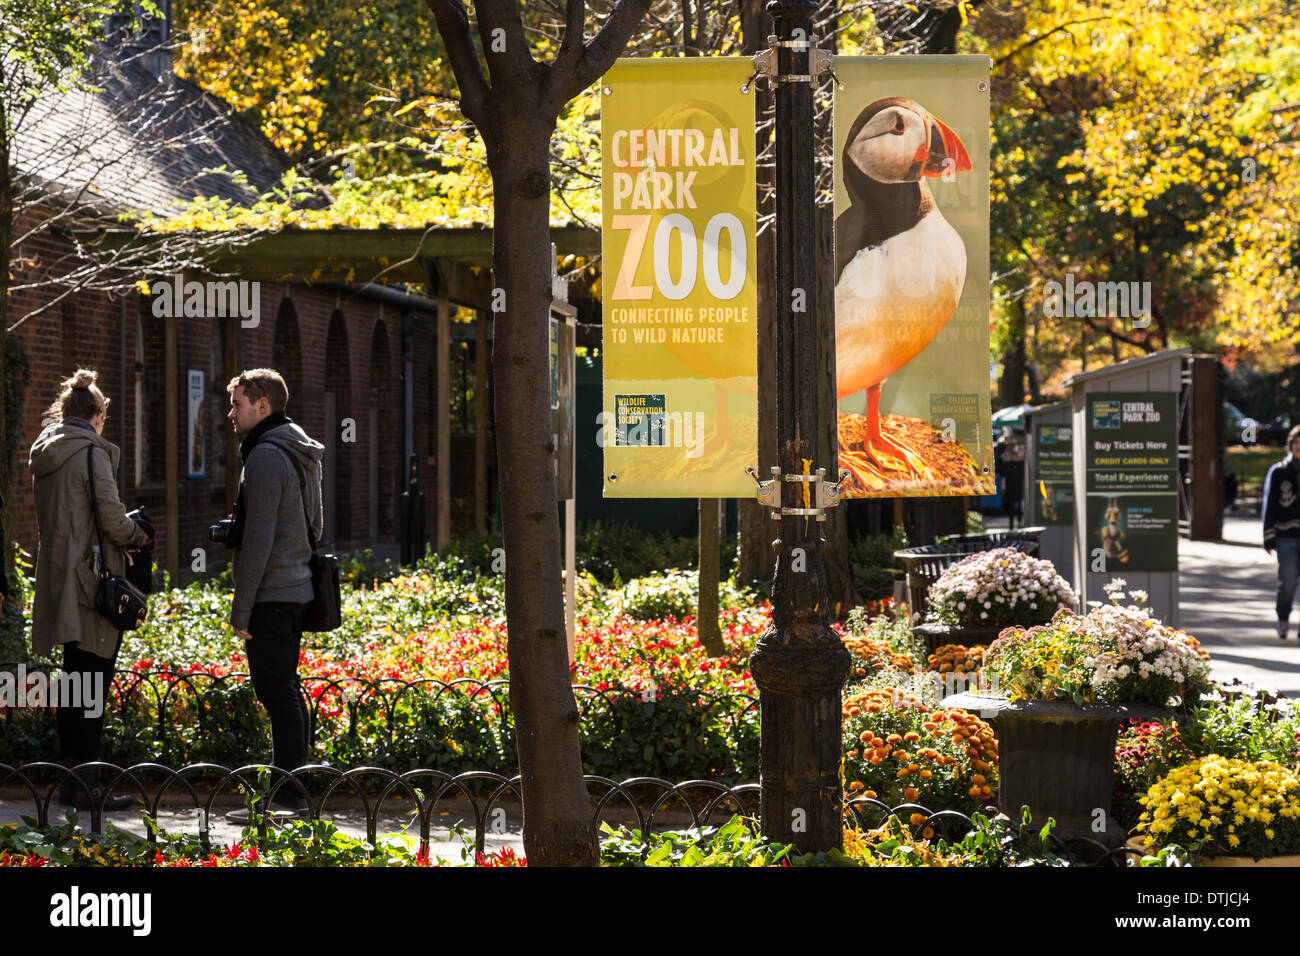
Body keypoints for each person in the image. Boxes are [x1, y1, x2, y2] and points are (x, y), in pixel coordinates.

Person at [29, 369, 153, 810]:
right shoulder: (90, 453)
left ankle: (71, 779)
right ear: (98, 416)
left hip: (57, 577)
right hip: (91, 581)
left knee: (72, 682)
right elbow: (115, 523)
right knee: (93, 683)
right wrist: (140, 532)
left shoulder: (45, 451)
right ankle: (89, 787)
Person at [221, 368, 323, 822]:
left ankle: (286, 798)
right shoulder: (298, 449)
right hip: (295, 586)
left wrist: (240, 608)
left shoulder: (264, 455)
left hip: (272, 593)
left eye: (238, 403)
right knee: (286, 690)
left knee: (277, 692)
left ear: (262, 405)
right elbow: (312, 524)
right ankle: (293, 790)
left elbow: (260, 538)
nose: (231, 413)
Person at [1263, 425, 1300, 640]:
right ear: (1290, 445)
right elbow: (1271, 505)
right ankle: (1283, 617)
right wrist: (1268, 536)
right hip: (1286, 537)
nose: (1299, 448)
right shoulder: (1279, 471)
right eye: (1296, 444)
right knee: (1287, 584)